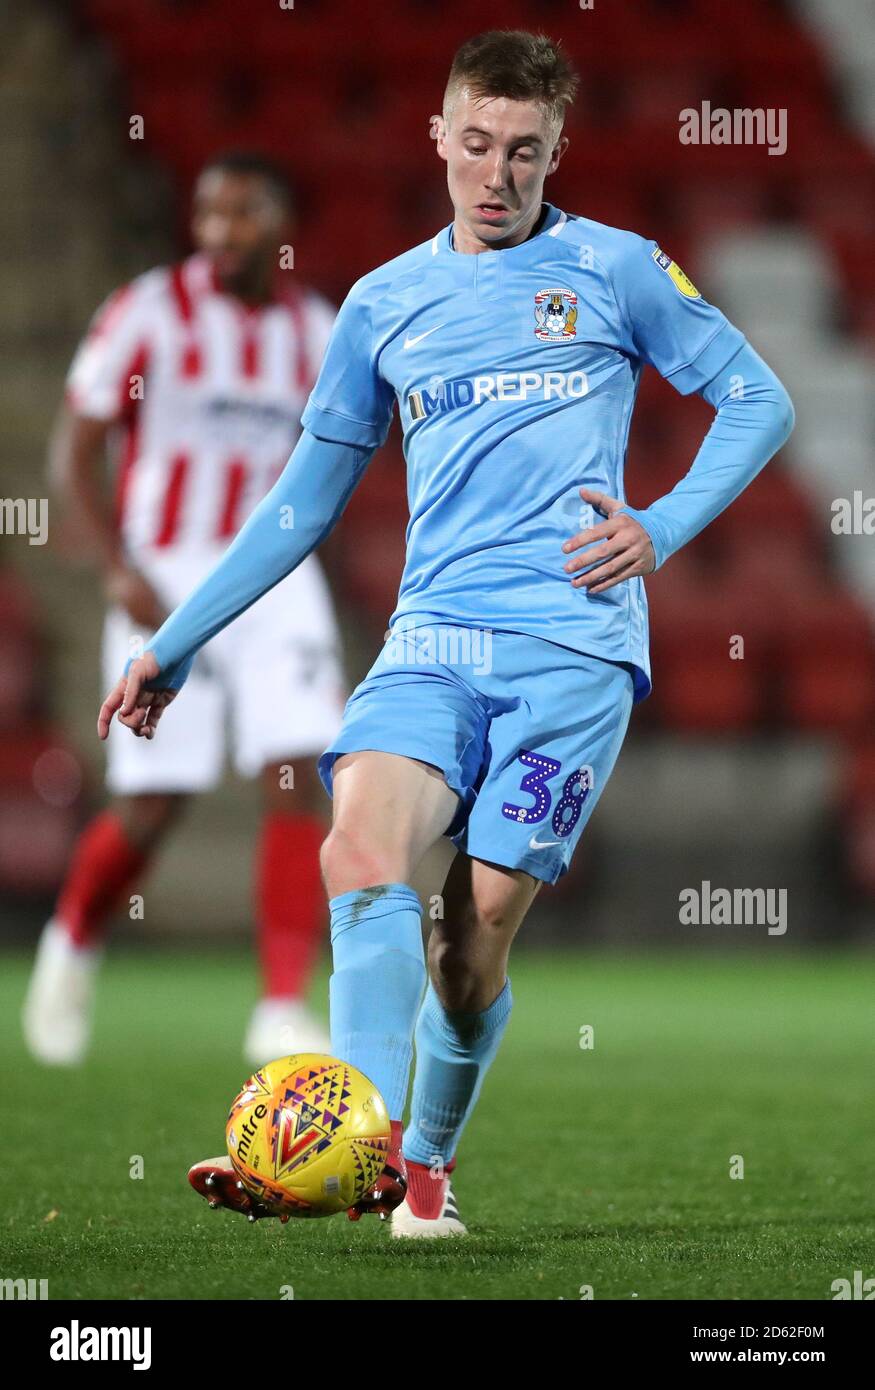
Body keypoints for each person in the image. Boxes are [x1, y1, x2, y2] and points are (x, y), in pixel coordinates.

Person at [97, 31, 794, 1238]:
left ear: (556, 149)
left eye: (523, 152)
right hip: (429, 641)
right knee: (358, 853)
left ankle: (426, 1162)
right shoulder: (381, 302)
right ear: (437, 136)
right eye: (474, 143)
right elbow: (301, 504)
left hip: (571, 657)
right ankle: (356, 1140)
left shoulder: (618, 269)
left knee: (465, 956)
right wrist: (181, 640)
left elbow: (758, 399)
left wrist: (660, 526)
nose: (495, 173)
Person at [24, 151, 345, 1067]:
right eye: (206, 212)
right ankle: (75, 937)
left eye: (239, 214)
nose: (217, 231)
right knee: (157, 799)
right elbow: (69, 454)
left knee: (298, 772)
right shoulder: (149, 310)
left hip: (277, 576)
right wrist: (116, 568)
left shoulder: (318, 331)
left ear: (279, 225)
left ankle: (281, 1003)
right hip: (166, 573)